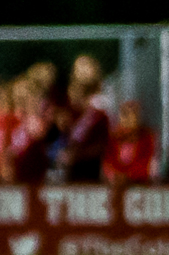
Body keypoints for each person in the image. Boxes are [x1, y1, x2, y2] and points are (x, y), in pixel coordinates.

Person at [51, 54, 110, 182]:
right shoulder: (64, 103)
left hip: (90, 170)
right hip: (63, 169)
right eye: (79, 68)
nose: (83, 71)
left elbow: (103, 143)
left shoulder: (100, 105)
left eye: (87, 67)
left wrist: (77, 155)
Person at [102, 100, 159, 184]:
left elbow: (147, 163)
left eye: (133, 113)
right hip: (115, 183)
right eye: (124, 113)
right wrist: (115, 175)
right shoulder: (114, 137)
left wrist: (129, 175)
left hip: (140, 183)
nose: (127, 117)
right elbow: (108, 161)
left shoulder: (147, 137)